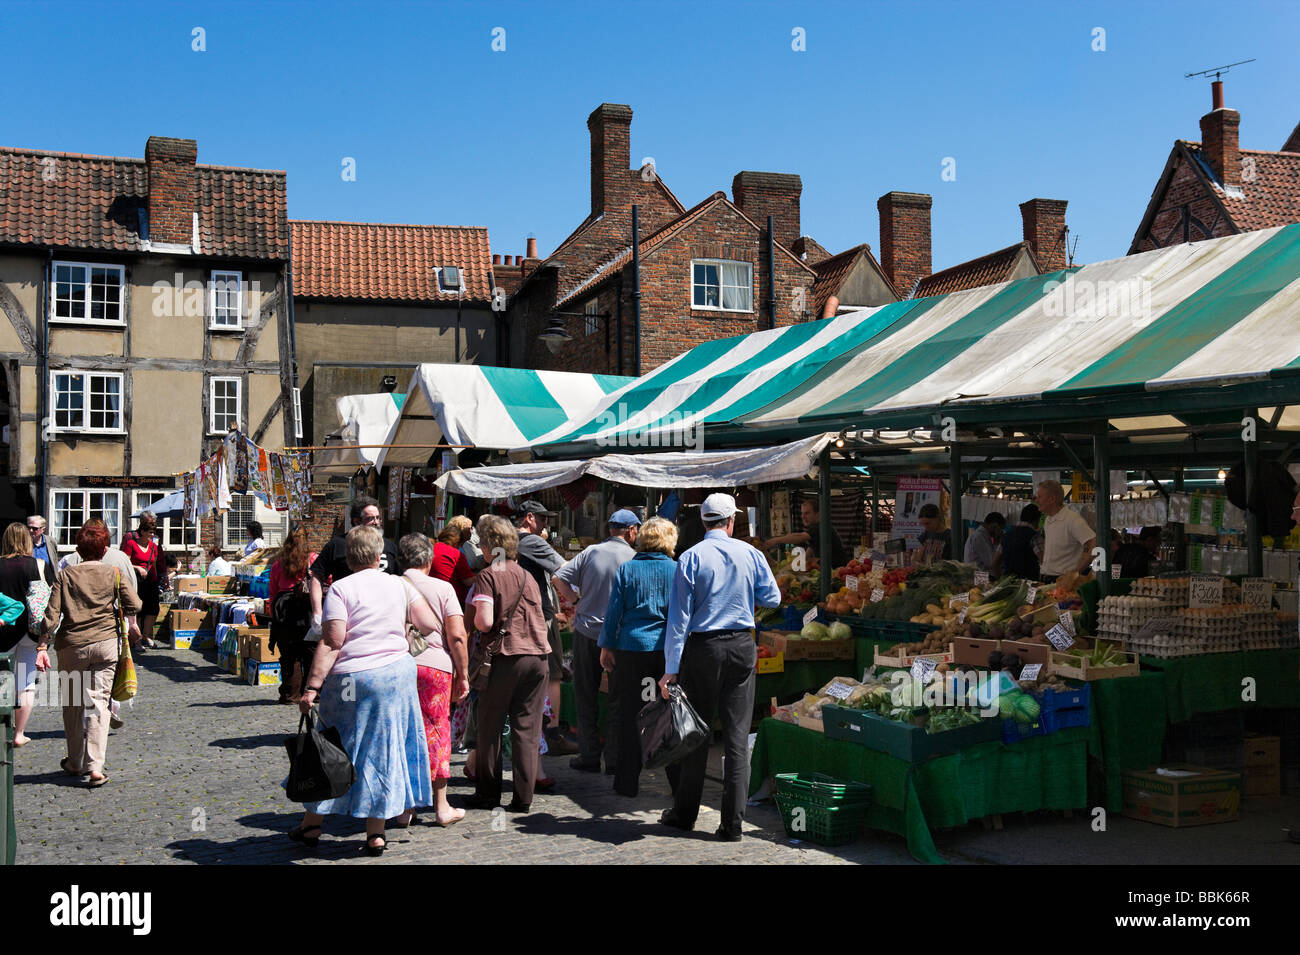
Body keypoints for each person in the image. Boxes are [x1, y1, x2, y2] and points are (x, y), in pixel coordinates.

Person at [291, 525, 443, 856]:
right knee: (385, 747)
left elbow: (332, 642)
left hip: (353, 680)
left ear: (349, 557)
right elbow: (430, 624)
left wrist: (312, 687)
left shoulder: (341, 589)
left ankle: (312, 823)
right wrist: (404, 625)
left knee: (334, 744)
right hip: (396, 675)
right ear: (379, 556)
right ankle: (375, 833)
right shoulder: (400, 584)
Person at [658, 493, 780, 842]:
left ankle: (685, 814)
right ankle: (733, 824)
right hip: (741, 646)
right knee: (737, 737)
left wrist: (670, 668)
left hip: (704, 648)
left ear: (703, 521)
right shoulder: (751, 554)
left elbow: (678, 620)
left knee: (696, 732)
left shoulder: (690, 557)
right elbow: (773, 598)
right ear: (731, 522)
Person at [41, 520, 143, 788]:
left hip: (72, 645)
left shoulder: (65, 575)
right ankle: (95, 767)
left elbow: (52, 615)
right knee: (99, 703)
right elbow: (134, 604)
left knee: (73, 703)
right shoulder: (113, 573)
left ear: (78, 549)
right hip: (105, 644)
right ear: (104, 549)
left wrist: (42, 643)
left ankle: (75, 761)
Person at [463, 515, 551, 814]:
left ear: (490, 546)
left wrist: (475, 619)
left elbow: (485, 622)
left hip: (504, 659)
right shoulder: (527, 575)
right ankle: (523, 798)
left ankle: (488, 794)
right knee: (527, 729)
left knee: (490, 728)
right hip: (537, 658)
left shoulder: (488, 575)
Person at [554, 508, 640, 774]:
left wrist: (576, 600)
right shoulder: (634, 557)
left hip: (587, 632)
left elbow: (558, 577)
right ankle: (614, 758)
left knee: (586, 695)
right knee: (618, 698)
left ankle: (589, 755)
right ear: (631, 531)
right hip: (619, 638)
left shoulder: (590, 552)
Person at [598, 516, 677, 798]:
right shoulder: (676, 570)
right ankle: (677, 783)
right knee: (669, 715)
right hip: (665, 653)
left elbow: (613, 612)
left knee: (631, 713)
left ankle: (626, 781)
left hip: (631, 651)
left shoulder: (628, 569)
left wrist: (607, 646)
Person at [399, 532, 470, 827]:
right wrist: (463, 674)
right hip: (435, 669)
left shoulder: (393, 585)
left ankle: (405, 808)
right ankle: (441, 806)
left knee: (403, 732)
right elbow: (457, 636)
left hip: (399, 665)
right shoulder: (443, 588)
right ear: (429, 560)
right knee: (437, 731)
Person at [512, 500, 574, 758]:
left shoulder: (506, 542)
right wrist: (576, 600)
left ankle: (527, 728)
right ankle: (552, 732)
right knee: (553, 675)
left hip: (516, 617)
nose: (546, 524)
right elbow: (564, 569)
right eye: (542, 518)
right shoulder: (533, 542)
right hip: (540, 616)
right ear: (529, 518)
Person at [308, 496, 401, 638]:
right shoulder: (338, 545)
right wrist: (317, 612)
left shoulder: (389, 546)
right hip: (348, 621)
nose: (376, 522)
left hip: (383, 620)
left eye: (378, 518)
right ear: (356, 521)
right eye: (370, 519)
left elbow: (400, 580)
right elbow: (317, 575)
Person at [1, 522, 54, 748]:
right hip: (32, 630)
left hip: (4, 628)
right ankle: (19, 733)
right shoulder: (39, 565)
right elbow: (50, 599)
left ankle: (2, 729)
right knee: (26, 682)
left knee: (2, 680)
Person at [269, 525, 317, 704]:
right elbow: (327, 580)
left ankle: (291, 693)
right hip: (307, 611)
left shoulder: (278, 563)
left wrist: (274, 615)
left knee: (290, 656)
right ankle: (313, 691)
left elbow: (273, 592)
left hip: (285, 613)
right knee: (311, 652)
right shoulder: (313, 559)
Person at [1035, 480, 1097, 582]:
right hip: (1045, 577)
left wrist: (1076, 572)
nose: (1036, 500)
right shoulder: (1048, 520)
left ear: (1052, 499)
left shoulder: (1072, 519)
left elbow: (1094, 544)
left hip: (1062, 579)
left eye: (1039, 497)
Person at [763, 499, 849, 568]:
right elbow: (810, 550)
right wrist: (794, 565)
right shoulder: (817, 527)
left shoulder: (820, 527)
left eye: (807, 513)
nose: (803, 517)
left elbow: (800, 537)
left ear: (818, 514)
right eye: (802, 513)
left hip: (837, 572)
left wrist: (775, 540)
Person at [121, 513, 164, 649]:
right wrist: (138, 568)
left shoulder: (154, 547)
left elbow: (154, 564)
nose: (152, 535)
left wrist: (159, 579)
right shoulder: (131, 544)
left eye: (153, 532)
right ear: (143, 532)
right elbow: (125, 563)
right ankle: (137, 639)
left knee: (152, 609)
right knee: (138, 610)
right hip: (136, 582)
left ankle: (146, 636)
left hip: (150, 581)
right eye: (150, 532)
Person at [432, 515, 477, 604]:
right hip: (454, 599)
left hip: (435, 595)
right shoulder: (456, 554)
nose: (471, 531)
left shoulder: (433, 548)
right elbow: (468, 581)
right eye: (469, 528)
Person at [997, 504, 1042, 580]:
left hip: (1008, 581)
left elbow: (994, 564)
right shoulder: (1034, 536)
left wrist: (999, 581)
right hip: (1028, 582)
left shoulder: (1006, 535)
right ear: (1037, 519)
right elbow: (1043, 559)